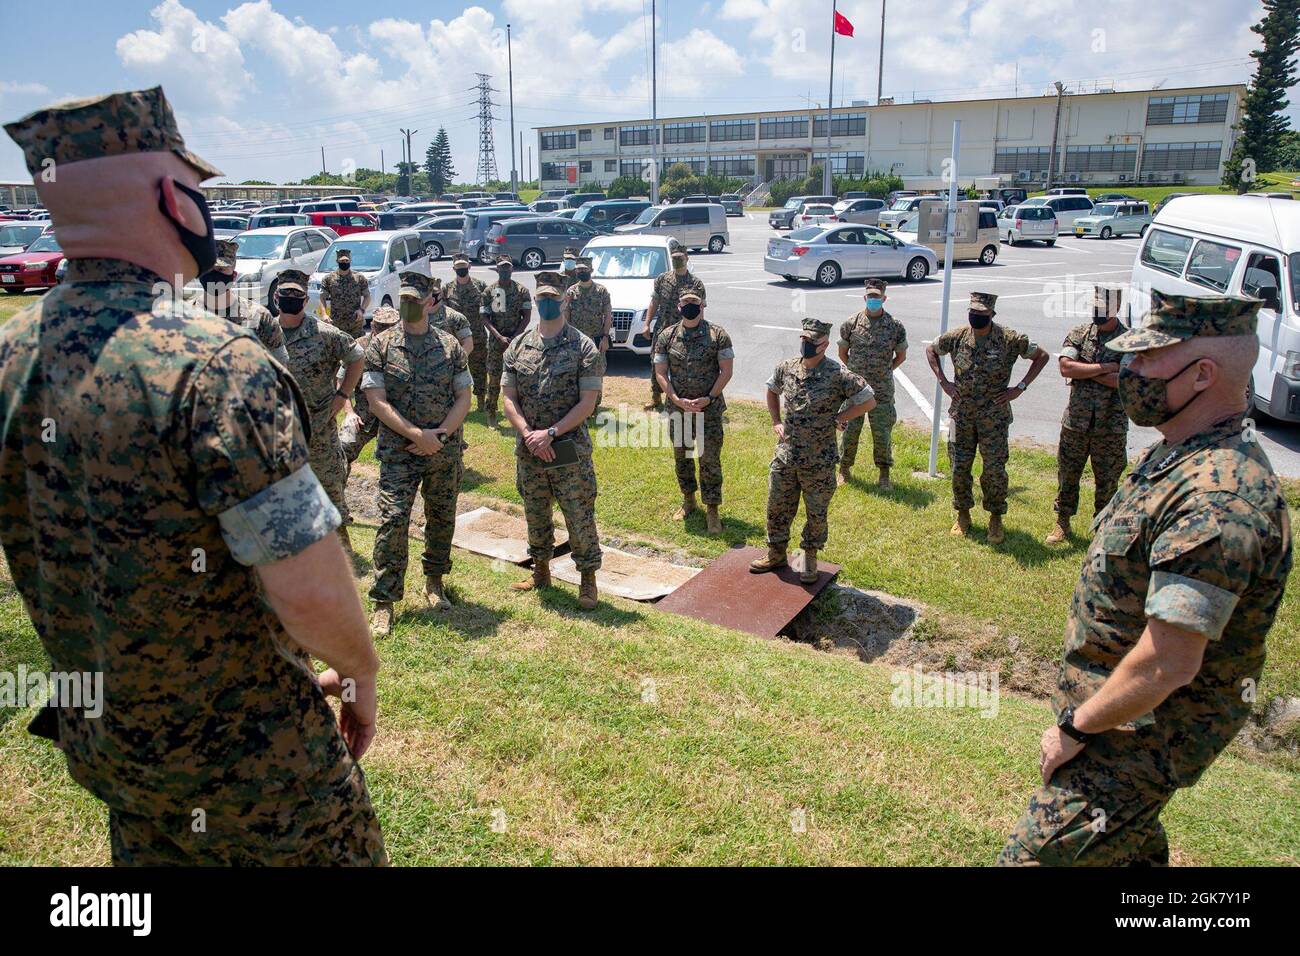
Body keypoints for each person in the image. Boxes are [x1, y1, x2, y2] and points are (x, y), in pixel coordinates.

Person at [0, 86, 385, 865]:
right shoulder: (218, 365)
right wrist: (359, 668)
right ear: (172, 196)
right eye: (199, 190)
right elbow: (306, 587)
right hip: (251, 767)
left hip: (113, 746)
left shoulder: (11, 355)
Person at [999, 291, 1292, 866]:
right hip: (1121, 716)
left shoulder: (1219, 496)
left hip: (1138, 733)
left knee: (1035, 858)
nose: (1129, 368)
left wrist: (1076, 729)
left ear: (1202, 375)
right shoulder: (1181, 453)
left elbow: (1169, 661)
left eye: (1147, 358)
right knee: (1128, 850)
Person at [362, 272, 472, 635]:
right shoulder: (381, 345)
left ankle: (435, 583)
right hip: (399, 450)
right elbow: (376, 401)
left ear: (431, 301)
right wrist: (415, 434)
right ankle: (384, 600)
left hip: (442, 448)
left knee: (441, 516)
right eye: (403, 297)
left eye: (415, 299)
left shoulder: (450, 346)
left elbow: (463, 398)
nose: (408, 304)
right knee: (393, 520)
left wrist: (438, 435)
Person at [502, 271, 604, 609]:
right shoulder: (518, 346)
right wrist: (529, 434)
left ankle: (587, 581)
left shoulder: (582, 346)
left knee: (577, 512)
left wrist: (550, 433)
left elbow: (587, 404)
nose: (547, 303)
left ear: (566, 300)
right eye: (542, 298)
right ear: (535, 301)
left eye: (553, 298)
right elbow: (508, 398)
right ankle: (540, 570)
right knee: (535, 509)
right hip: (530, 448)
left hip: (566, 448)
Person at [751, 319, 876, 583]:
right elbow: (772, 390)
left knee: (816, 512)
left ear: (825, 345)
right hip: (786, 456)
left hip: (818, 461)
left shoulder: (837, 374)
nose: (806, 345)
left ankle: (807, 559)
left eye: (812, 342)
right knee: (777, 506)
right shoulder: (786, 368)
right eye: (803, 340)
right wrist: (776, 421)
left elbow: (868, 399)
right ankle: (776, 553)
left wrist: (842, 415)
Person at [926, 292, 1049, 544]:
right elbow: (931, 349)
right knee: (959, 467)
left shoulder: (1010, 339)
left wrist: (1020, 388)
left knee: (994, 470)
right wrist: (944, 381)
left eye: (981, 315)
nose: (976, 318)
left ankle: (995, 517)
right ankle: (962, 514)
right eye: (973, 313)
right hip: (961, 416)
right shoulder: (958, 337)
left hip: (994, 417)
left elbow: (1042, 356)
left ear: (992, 315)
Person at [278, 268, 365, 552]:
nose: (291, 300)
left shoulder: (325, 334)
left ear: (305, 301)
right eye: (285, 294)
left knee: (329, 490)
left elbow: (357, 357)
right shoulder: (263, 334)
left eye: (297, 295)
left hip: (318, 430)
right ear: (276, 297)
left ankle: (342, 554)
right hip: (277, 433)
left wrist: (343, 394)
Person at [1047, 285, 1129, 544]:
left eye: (1102, 309)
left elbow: (1126, 381)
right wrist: (1106, 367)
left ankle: (1102, 529)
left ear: (1115, 309)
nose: (1096, 312)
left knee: (1107, 480)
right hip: (1076, 422)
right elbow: (1065, 368)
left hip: (1110, 424)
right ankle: (1062, 523)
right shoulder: (1079, 333)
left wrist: (1087, 370)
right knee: (1068, 474)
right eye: (1094, 307)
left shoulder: (1128, 340)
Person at [652, 290, 734, 535]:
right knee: (683, 456)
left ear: (702, 306)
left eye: (694, 303)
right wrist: (676, 399)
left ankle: (712, 510)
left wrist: (708, 398)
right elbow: (660, 372)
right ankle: (689, 501)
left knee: (709, 459)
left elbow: (726, 371)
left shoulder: (718, 335)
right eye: (686, 303)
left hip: (708, 410)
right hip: (679, 409)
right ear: (679, 306)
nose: (690, 306)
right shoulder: (666, 336)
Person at [838, 278, 907, 489]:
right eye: (870, 297)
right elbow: (842, 353)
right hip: (855, 389)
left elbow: (901, 356)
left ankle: (884, 473)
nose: (873, 301)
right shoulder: (851, 323)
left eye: (877, 297)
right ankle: (844, 469)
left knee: (882, 430)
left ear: (884, 298)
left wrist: (884, 371)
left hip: (882, 390)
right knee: (850, 429)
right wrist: (856, 375)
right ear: (865, 297)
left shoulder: (895, 326)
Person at [195, 239, 289, 364]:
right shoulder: (185, 316)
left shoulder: (259, 318)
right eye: (209, 270)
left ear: (234, 275)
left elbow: (280, 367)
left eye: (220, 270)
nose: (213, 275)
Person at [641, 248, 706, 411]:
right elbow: (654, 303)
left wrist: (702, 329)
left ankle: (683, 400)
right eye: (674, 258)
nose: (677, 261)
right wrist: (647, 323)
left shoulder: (696, 283)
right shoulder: (662, 279)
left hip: (686, 332)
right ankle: (656, 398)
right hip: (662, 330)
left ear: (687, 258)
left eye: (680, 257)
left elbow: (701, 309)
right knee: (656, 363)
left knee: (684, 366)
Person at [340, 304, 401, 471]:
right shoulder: (358, 347)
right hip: (363, 414)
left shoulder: (405, 348)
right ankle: (335, 494)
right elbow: (341, 381)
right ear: (373, 325)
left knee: (392, 460)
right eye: (382, 327)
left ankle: (387, 495)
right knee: (341, 450)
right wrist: (349, 413)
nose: (386, 332)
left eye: (391, 327)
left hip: (394, 416)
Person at [480, 254, 533, 423]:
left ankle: (520, 413)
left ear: (512, 268)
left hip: (516, 342)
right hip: (497, 343)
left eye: (507, 267)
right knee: (494, 378)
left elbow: (526, 317)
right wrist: (499, 336)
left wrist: (515, 337)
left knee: (519, 378)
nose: (505, 270)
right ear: (497, 269)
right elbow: (485, 317)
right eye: (502, 267)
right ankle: (491, 413)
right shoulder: (490, 292)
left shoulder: (522, 291)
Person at [442, 252, 489, 410]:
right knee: (454, 370)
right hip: (454, 339)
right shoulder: (447, 289)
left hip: (477, 337)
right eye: (458, 267)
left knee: (479, 369)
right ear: (453, 268)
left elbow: (489, 309)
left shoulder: (480, 286)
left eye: (464, 267)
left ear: (469, 266)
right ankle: (455, 402)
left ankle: (481, 400)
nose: (462, 270)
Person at [562, 254, 613, 354]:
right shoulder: (571, 291)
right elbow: (566, 315)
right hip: (576, 339)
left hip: (596, 338)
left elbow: (608, 316)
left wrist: (605, 337)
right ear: (576, 271)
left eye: (585, 269)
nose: (582, 272)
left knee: (598, 368)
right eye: (579, 269)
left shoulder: (601, 291)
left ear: (591, 270)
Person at [318, 246, 370, 339]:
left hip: (355, 324)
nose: (344, 263)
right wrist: (324, 314)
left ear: (350, 261)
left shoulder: (359, 278)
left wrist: (362, 310)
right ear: (337, 261)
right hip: (337, 324)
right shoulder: (329, 279)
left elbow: (367, 296)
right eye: (342, 261)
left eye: (346, 261)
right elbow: (322, 298)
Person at [425, 275, 475, 357]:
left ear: (440, 293)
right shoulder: (419, 315)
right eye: (428, 293)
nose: (431, 296)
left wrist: (457, 364)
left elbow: (468, 345)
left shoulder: (455, 317)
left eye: (434, 293)